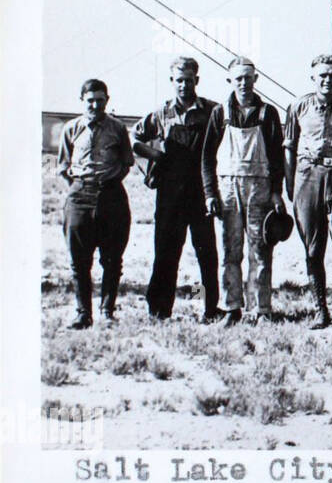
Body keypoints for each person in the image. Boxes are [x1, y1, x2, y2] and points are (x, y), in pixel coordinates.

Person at [131, 57, 220, 321]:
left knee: (206, 253)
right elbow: (134, 139)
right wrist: (156, 156)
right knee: (166, 252)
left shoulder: (212, 112)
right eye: (179, 80)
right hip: (170, 194)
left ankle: (210, 307)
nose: (183, 85)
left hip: (202, 191)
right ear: (172, 82)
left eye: (188, 80)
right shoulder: (161, 113)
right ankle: (159, 310)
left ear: (197, 81)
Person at [201, 57, 286, 326]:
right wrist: (210, 194)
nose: (243, 83)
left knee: (260, 249)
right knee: (230, 250)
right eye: (238, 78)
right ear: (230, 81)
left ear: (255, 79)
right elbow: (206, 158)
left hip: (259, 188)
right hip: (227, 188)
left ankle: (262, 309)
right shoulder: (220, 113)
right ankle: (231, 309)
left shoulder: (267, 113)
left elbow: (276, 157)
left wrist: (276, 192)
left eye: (248, 78)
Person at [284, 54, 332, 329]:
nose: (328, 80)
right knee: (313, 248)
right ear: (313, 78)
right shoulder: (298, 106)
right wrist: (291, 183)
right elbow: (289, 147)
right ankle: (321, 310)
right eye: (322, 75)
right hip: (308, 176)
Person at [58, 79, 134, 329]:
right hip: (80, 196)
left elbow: (126, 163)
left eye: (100, 100)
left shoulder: (118, 129)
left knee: (112, 258)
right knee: (79, 260)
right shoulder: (71, 129)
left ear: (107, 101)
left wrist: (107, 183)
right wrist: (81, 187)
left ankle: (107, 312)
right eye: (90, 100)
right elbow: (63, 167)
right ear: (82, 100)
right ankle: (82, 314)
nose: (95, 105)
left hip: (112, 197)